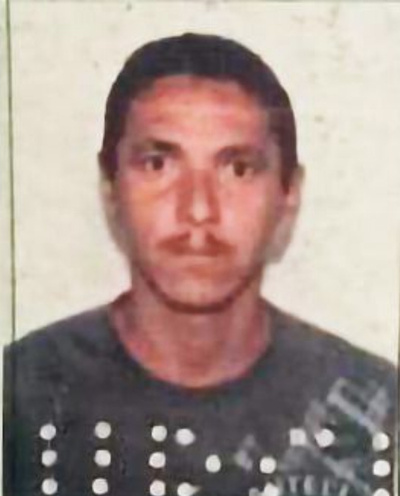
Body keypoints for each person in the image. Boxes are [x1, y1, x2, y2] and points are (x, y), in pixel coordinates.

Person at [4, 33, 396, 496]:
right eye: (158, 164)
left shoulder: (373, 414)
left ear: (288, 195)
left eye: (238, 169)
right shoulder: (19, 398)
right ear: (110, 187)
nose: (198, 209)